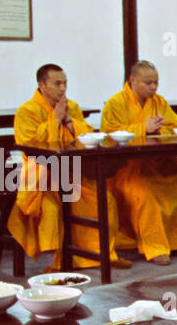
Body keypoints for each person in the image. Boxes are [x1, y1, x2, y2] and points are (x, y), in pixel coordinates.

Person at [9, 64, 130, 270]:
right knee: (51, 209)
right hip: (42, 174)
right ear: (42, 84)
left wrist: (70, 122)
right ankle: (54, 263)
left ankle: (104, 253)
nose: (62, 88)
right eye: (57, 83)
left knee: (105, 200)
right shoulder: (27, 111)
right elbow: (30, 146)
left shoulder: (71, 107)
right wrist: (54, 120)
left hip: (73, 170)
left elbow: (87, 136)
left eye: (65, 83)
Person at [99, 61, 177, 264]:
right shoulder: (114, 104)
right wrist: (142, 128)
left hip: (159, 163)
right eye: (148, 82)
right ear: (133, 80)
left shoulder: (159, 102)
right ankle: (155, 247)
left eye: (156, 82)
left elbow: (174, 127)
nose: (153, 87)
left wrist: (160, 129)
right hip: (127, 169)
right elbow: (109, 136)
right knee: (147, 194)